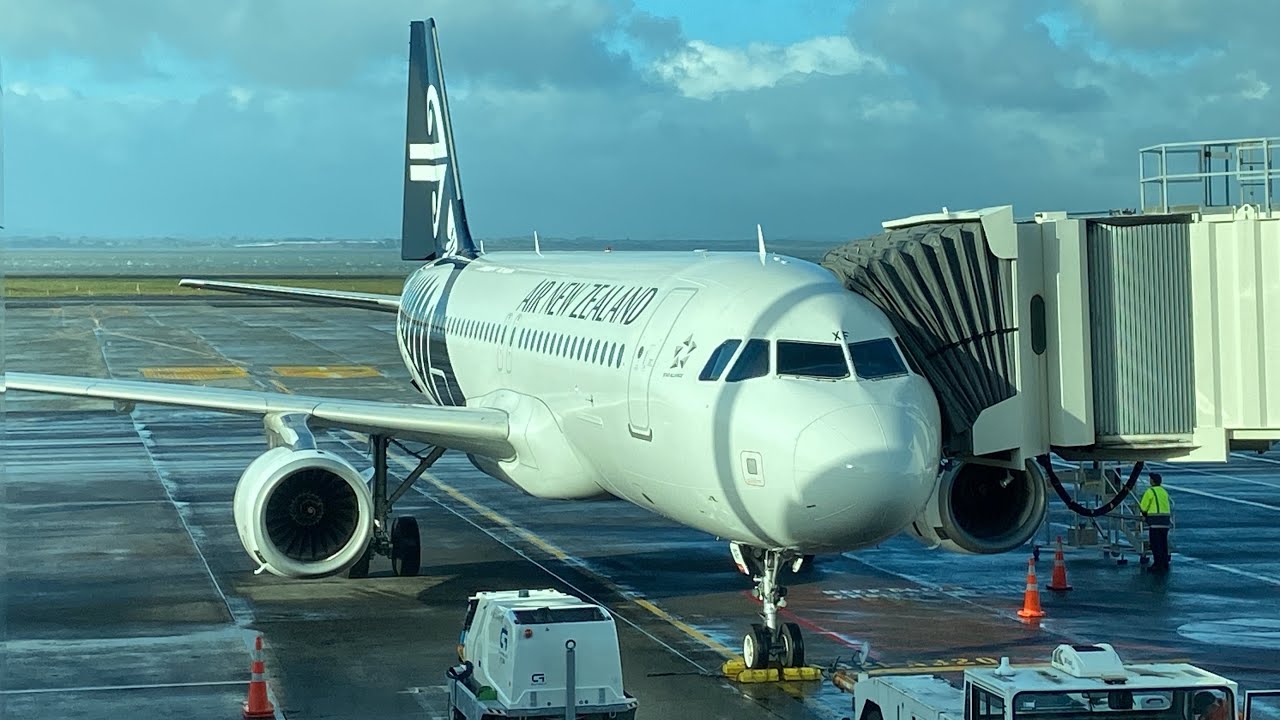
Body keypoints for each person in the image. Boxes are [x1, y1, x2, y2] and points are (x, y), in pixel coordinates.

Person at [1140, 472, 1173, 570]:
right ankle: (1164, 563)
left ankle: (1157, 564)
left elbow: (1143, 507)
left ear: (1153, 481)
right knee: (1163, 543)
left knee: (1155, 544)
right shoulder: (1164, 491)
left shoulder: (1150, 491)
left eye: (1150, 479)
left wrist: (1145, 514)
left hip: (1155, 521)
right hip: (1165, 520)